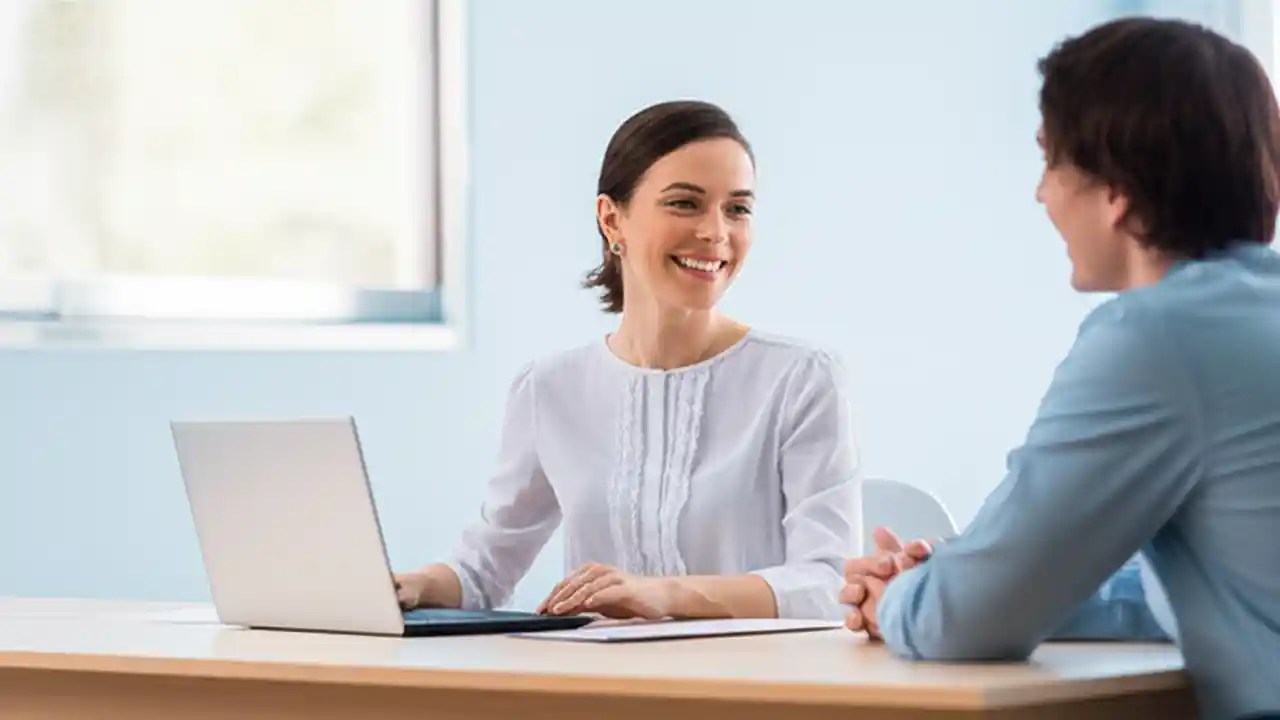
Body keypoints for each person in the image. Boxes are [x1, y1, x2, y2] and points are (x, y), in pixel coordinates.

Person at [842, 18, 1280, 720]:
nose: (1041, 194)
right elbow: (1182, 591)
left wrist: (902, 598)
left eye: (1051, 161)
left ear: (1117, 190)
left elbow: (966, 622)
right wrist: (953, 577)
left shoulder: (1157, 339)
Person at [395, 100, 861, 621]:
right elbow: (485, 569)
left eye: (738, 208)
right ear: (611, 219)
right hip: (604, 685)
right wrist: (409, 585)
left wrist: (666, 594)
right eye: (685, 204)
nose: (716, 232)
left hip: (750, 687)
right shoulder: (548, 388)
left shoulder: (801, 379)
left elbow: (828, 581)